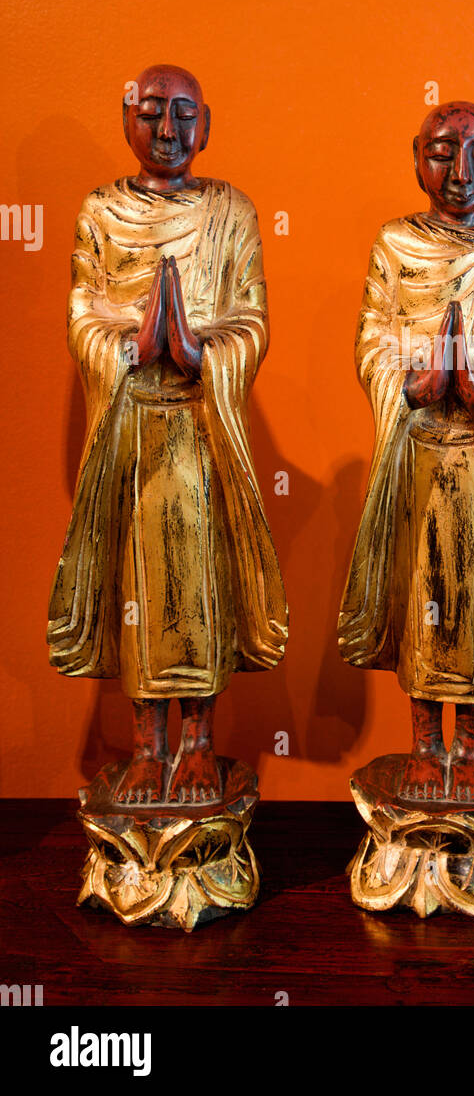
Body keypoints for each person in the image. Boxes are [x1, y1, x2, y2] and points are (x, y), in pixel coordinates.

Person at [48, 65, 288, 806]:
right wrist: (131, 344)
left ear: (206, 126)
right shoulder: (102, 211)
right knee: (139, 588)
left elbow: (251, 320)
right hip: (130, 433)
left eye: (184, 114)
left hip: (201, 428)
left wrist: (195, 350)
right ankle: (147, 743)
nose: (167, 129)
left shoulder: (230, 211)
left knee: (198, 587)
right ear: (126, 120)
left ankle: (198, 742)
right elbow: (84, 314)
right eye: (151, 112)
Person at [338, 101, 474, 804]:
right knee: (423, 599)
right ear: (415, 157)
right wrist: (413, 382)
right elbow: (372, 339)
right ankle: (426, 745)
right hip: (418, 457)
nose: (462, 172)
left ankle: (472, 749)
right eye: (442, 153)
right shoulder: (397, 243)